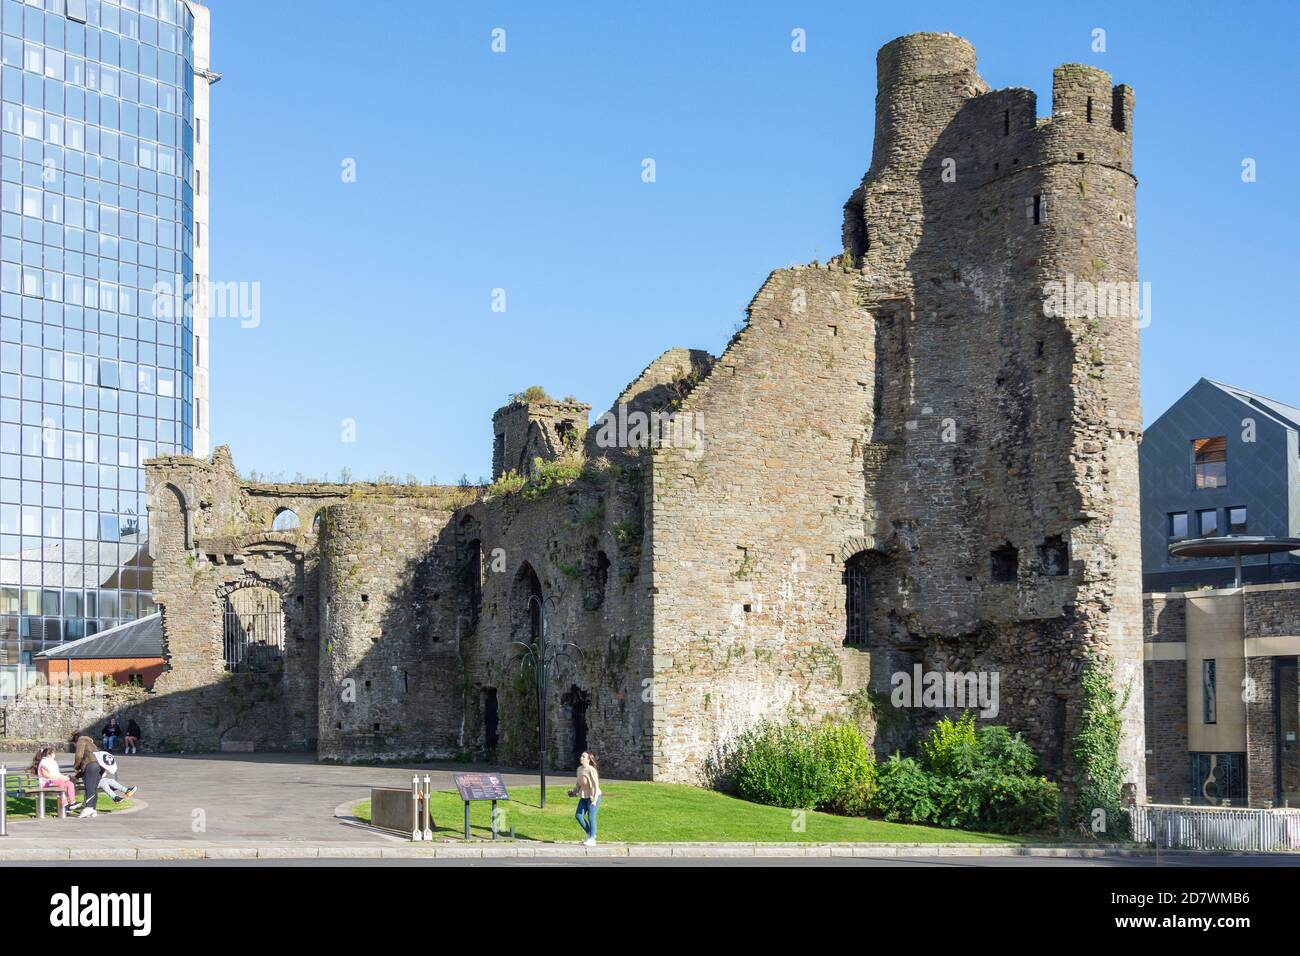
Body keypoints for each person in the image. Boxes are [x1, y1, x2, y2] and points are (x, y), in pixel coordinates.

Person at [568, 751, 602, 846]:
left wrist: (594, 800)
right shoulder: (579, 769)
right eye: (581, 756)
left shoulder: (591, 770)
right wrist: (574, 791)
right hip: (584, 796)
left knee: (591, 817)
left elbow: (596, 785)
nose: (581, 757)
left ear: (588, 759)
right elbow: (579, 783)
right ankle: (589, 833)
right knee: (578, 815)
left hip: (593, 796)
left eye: (583, 756)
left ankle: (592, 838)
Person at [31, 746, 77, 813]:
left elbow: (57, 774)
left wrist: (65, 777)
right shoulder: (43, 763)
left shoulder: (53, 762)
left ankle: (72, 802)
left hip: (55, 781)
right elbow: (46, 776)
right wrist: (59, 778)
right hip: (46, 783)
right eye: (53, 753)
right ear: (49, 754)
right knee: (61, 783)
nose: (55, 755)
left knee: (70, 783)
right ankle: (64, 804)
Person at [70, 730, 101, 817]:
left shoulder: (81, 740)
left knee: (89, 787)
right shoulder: (91, 743)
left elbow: (79, 755)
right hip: (98, 766)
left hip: (90, 765)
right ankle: (93, 809)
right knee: (93, 788)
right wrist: (77, 775)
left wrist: (75, 766)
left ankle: (88, 808)